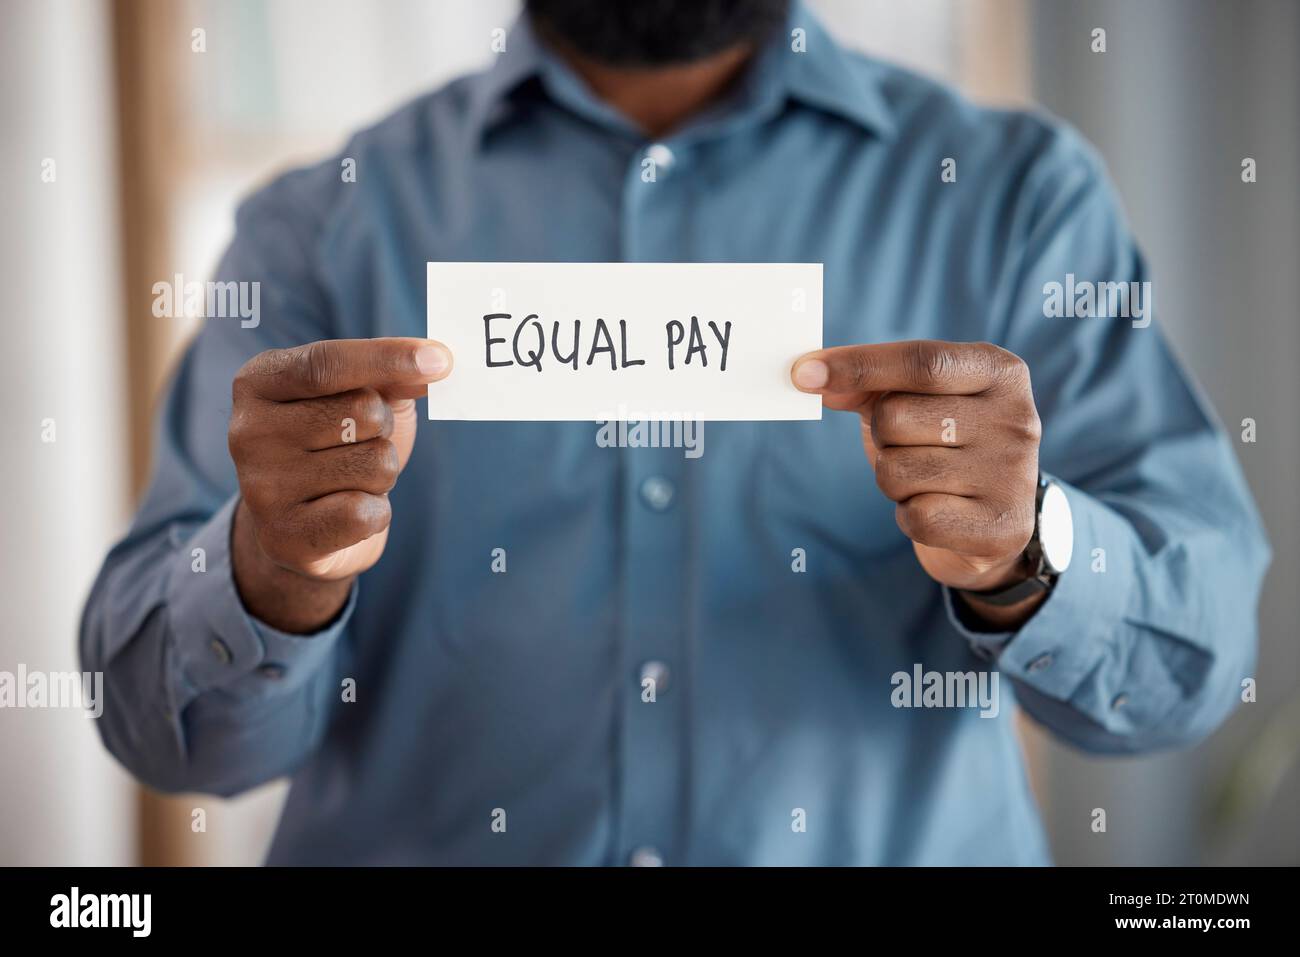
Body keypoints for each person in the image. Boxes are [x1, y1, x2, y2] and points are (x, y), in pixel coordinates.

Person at [81, 0, 1269, 865]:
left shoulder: (1018, 197)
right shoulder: (316, 230)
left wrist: (1032, 552)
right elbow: (161, 734)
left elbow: (1187, 671)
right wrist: (264, 576)